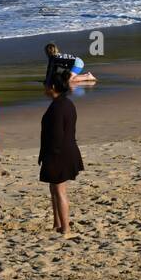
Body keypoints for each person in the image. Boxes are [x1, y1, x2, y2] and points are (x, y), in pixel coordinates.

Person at [39, 74, 84, 236]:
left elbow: (57, 134)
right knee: (54, 188)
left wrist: (51, 155)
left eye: (45, 85)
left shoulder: (58, 106)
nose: (44, 88)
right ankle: (57, 222)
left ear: (52, 87)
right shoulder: (66, 103)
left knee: (59, 189)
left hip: (59, 152)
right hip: (67, 149)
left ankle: (65, 227)